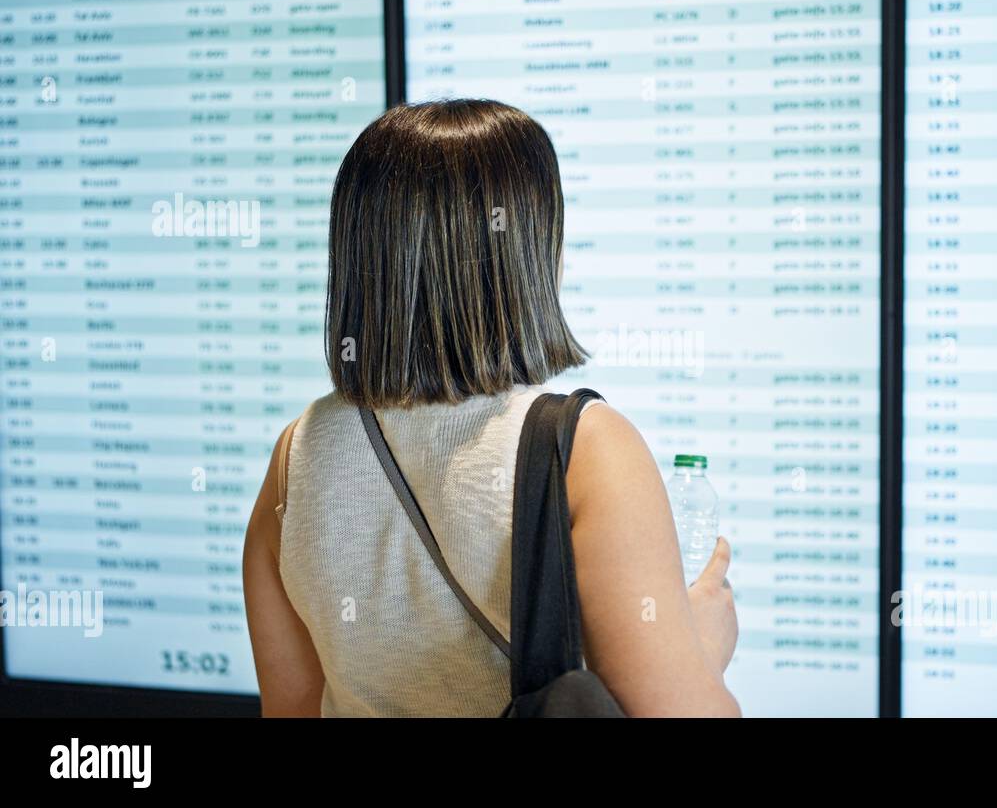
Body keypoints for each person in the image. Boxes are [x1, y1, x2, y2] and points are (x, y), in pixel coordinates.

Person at [242, 100, 741, 717]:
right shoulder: (586, 448)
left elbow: (290, 709)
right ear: (529, 254)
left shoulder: (296, 455)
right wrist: (701, 649)